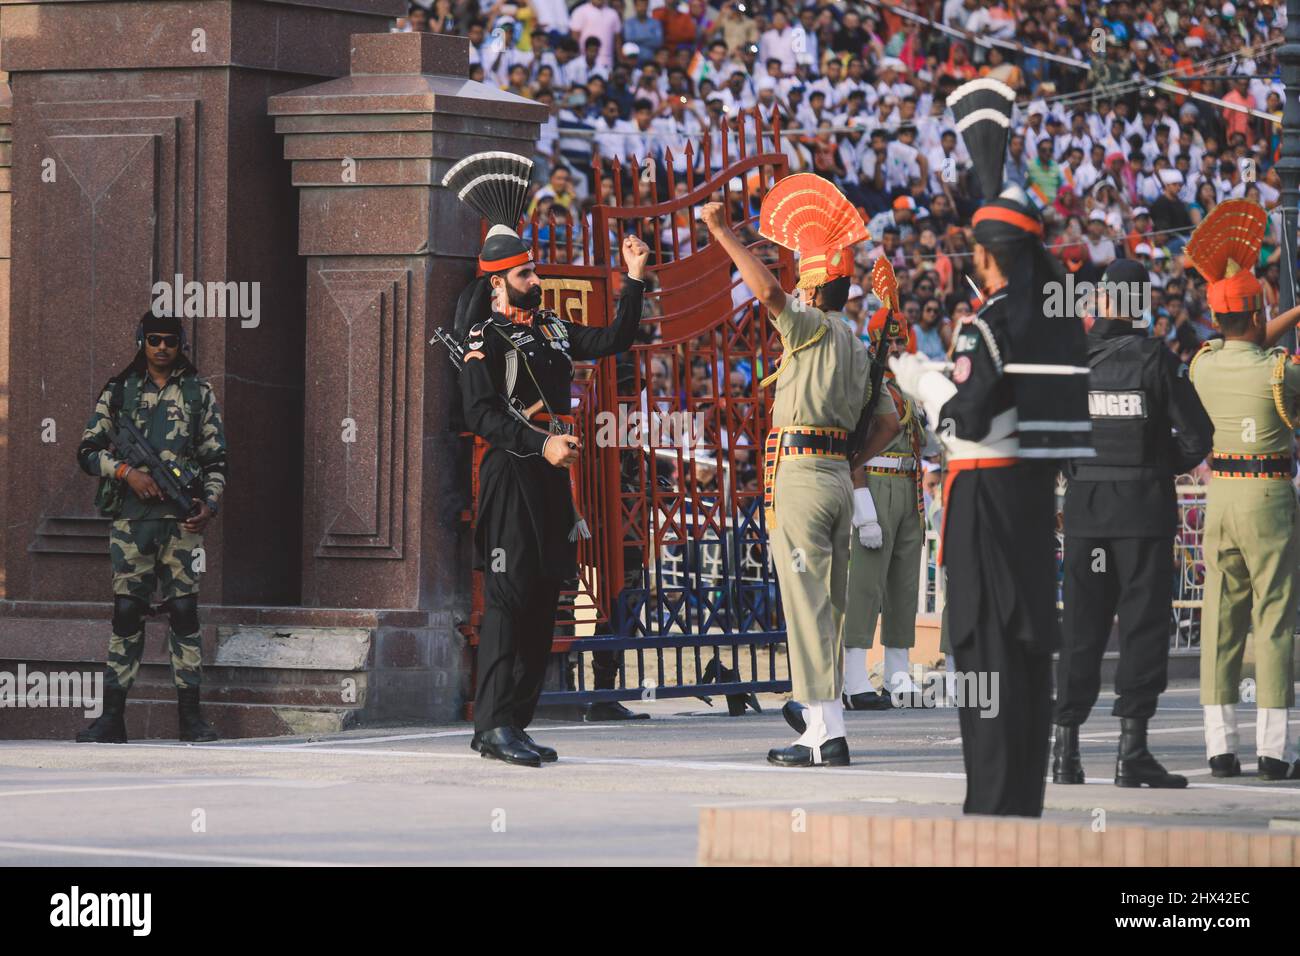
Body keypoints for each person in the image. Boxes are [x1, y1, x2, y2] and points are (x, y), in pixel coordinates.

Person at [890, 78, 1093, 816]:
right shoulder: (1048, 315)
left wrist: (922, 382)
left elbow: (968, 418)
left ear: (990, 255)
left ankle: (992, 806)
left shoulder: (989, 322)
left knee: (982, 649)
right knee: (1024, 651)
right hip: (1031, 498)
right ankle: (1017, 801)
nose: (973, 262)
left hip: (985, 499)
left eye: (978, 251)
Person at [444, 151, 648, 767]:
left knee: (542, 600)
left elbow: (613, 340)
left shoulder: (553, 328)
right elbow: (480, 416)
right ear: (499, 281)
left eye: (535, 271)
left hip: (553, 476)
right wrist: (541, 443)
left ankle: (516, 722)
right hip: (512, 473)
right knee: (507, 600)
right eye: (528, 274)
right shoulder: (485, 338)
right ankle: (492, 723)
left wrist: (633, 277)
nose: (538, 280)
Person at [699, 174, 894, 768]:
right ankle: (819, 714)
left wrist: (722, 233)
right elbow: (886, 421)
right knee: (829, 603)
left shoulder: (810, 327)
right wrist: (853, 460)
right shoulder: (860, 345)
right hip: (837, 471)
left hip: (804, 475)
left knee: (806, 601)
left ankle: (824, 732)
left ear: (810, 290)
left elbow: (765, 295)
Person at [1052, 258, 1213, 790]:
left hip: (1086, 512)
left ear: (1100, 301)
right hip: (1142, 513)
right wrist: (1150, 464)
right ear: (1139, 303)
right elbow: (1197, 438)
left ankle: (1065, 754)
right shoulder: (1157, 360)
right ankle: (1132, 753)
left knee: (1080, 629)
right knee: (1143, 629)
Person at [1185, 199, 1300, 781]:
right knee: (1274, 618)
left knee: (1220, 620)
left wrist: (1291, 313)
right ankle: (1275, 751)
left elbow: (1247, 340)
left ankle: (1219, 747)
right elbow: (1271, 356)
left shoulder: (1203, 365)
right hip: (1269, 498)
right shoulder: (1282, 371)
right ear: (1258, 313)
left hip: (1220, 497)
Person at [74, 312, 228, 744]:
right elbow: (87, 452)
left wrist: (209, 504)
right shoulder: (119, 390)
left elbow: (216, 459)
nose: (162, 347)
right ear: (142, 340)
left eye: (171, 340)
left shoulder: (199, 392)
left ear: (181, 345)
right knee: (127, 613)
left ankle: (191, 720)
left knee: (184, 613)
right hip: (131, 523)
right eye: (154, 339)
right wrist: (126, 472)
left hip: (181, 523)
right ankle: (112, 720)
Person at [844, 285, 927, 709]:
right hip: (874, 482)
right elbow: (854, 446)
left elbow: (924, 441)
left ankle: (897, 671)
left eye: (900, 338)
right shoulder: (865, 382)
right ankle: (854, 677)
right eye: (887, 339)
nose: (895, 345)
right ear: (873, 341)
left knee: (903, 585)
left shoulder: (910, 384)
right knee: (864, 585)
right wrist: (862, 504)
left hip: (910, 485)